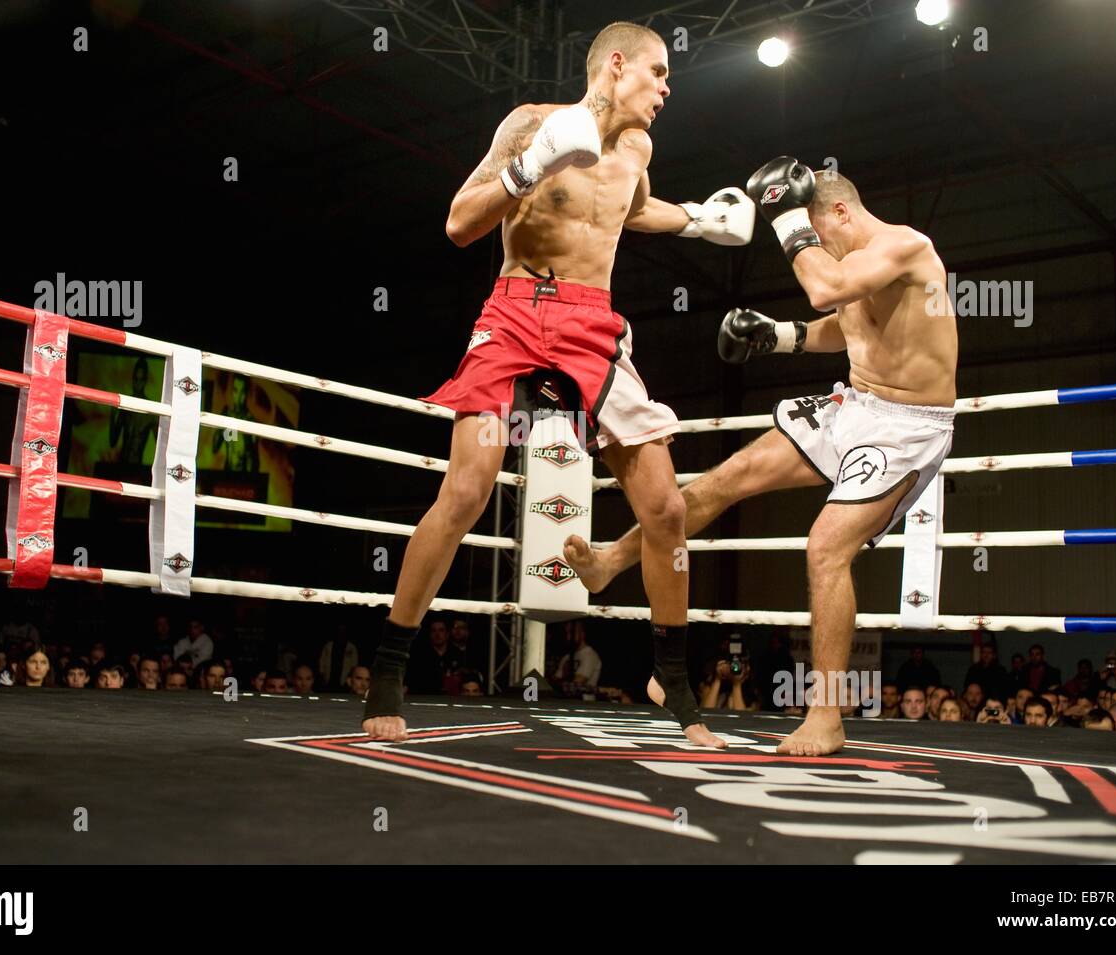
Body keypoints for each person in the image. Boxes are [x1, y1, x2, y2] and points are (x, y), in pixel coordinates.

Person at [362, 21, 751, 748]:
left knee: (665, 507)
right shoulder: (532, 124)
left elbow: (632, 209)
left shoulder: (638, 147)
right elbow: (457, 223)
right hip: (514, 313)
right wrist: (528, 167)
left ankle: (680, 694)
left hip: (592, 325)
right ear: (616, 64)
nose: (668, 90)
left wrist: (700, 221)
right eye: (659, 73)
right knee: (467, 489)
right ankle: (387, 670)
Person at [565, 162, 958, 757]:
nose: (816, 250)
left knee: (826, 547)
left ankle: (825, 716)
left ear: (841, 214)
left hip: (908, 427)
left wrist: (788, 219)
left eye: (819, 234)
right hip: (852, 404)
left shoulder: (907, 245)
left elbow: (825, 286)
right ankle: (606, 564)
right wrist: (778, 336)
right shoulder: (854, 263)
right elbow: (847, 325)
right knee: (721, 482)